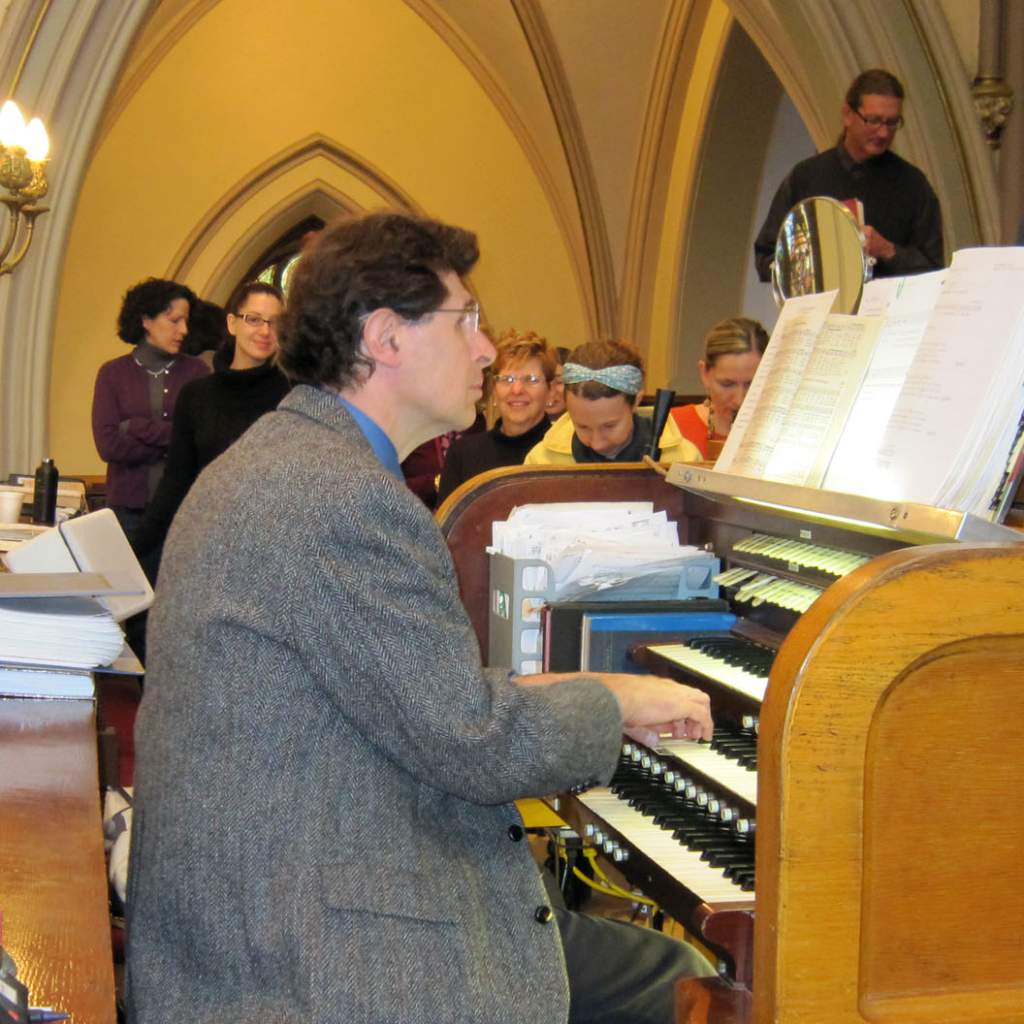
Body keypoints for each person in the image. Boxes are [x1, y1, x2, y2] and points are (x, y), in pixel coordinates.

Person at [125, 211, 715, 1024]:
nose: (486, 350)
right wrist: (616, 701)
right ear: (386, 337)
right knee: (678, 977)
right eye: (466, 320)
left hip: (268, 888)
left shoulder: (287, 461)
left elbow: (422, 698)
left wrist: (580, 694)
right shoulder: (340, 496)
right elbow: (472, 741)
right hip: (302, 947)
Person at [131, 281, 291, 568]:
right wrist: (131, 550)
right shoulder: (197, 396)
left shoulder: (294, 394)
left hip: (273, 550)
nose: (265, 331)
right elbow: (176, 483)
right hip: (209, 546)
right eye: (253, 319)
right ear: (232, 323)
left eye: (275, 322)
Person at [754, 69, 943, 282]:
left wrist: (888, 251)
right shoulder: (806, 177)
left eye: (892, 123)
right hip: (822, 300)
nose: (883, 133)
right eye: (873, 120)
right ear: (847, 115)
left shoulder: (913, 185)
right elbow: (766, 257)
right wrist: (814, 260)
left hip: (888, 302)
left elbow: (935, 268)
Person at [91, 278, 210, 535]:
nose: (184, 330)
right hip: (126, 511)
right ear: (146, 320)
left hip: (181, 510)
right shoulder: (112, 373)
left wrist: (136, 427)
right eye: (175, 321)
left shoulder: (197, 372)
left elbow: (199, 438)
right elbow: (108, 445)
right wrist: (170, 446)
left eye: (186, 321)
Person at [525, 338, 701, 465]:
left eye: (609, 426)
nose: (597, 443)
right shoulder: (542, 463)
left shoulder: (683, 460)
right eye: (582, 427)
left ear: (636, 400)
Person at [436, 328, 557, 503]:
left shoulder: (563, 451)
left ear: (550, 390)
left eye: (530, 380)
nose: (517, 390)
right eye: (507, 380)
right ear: (494, 388)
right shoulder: (463, 455)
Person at [671, 317, 768, 459]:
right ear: (704, 374)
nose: (739, 400)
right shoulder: (672, 428)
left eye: (752, 385)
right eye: (727, 384)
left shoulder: (784, 434)